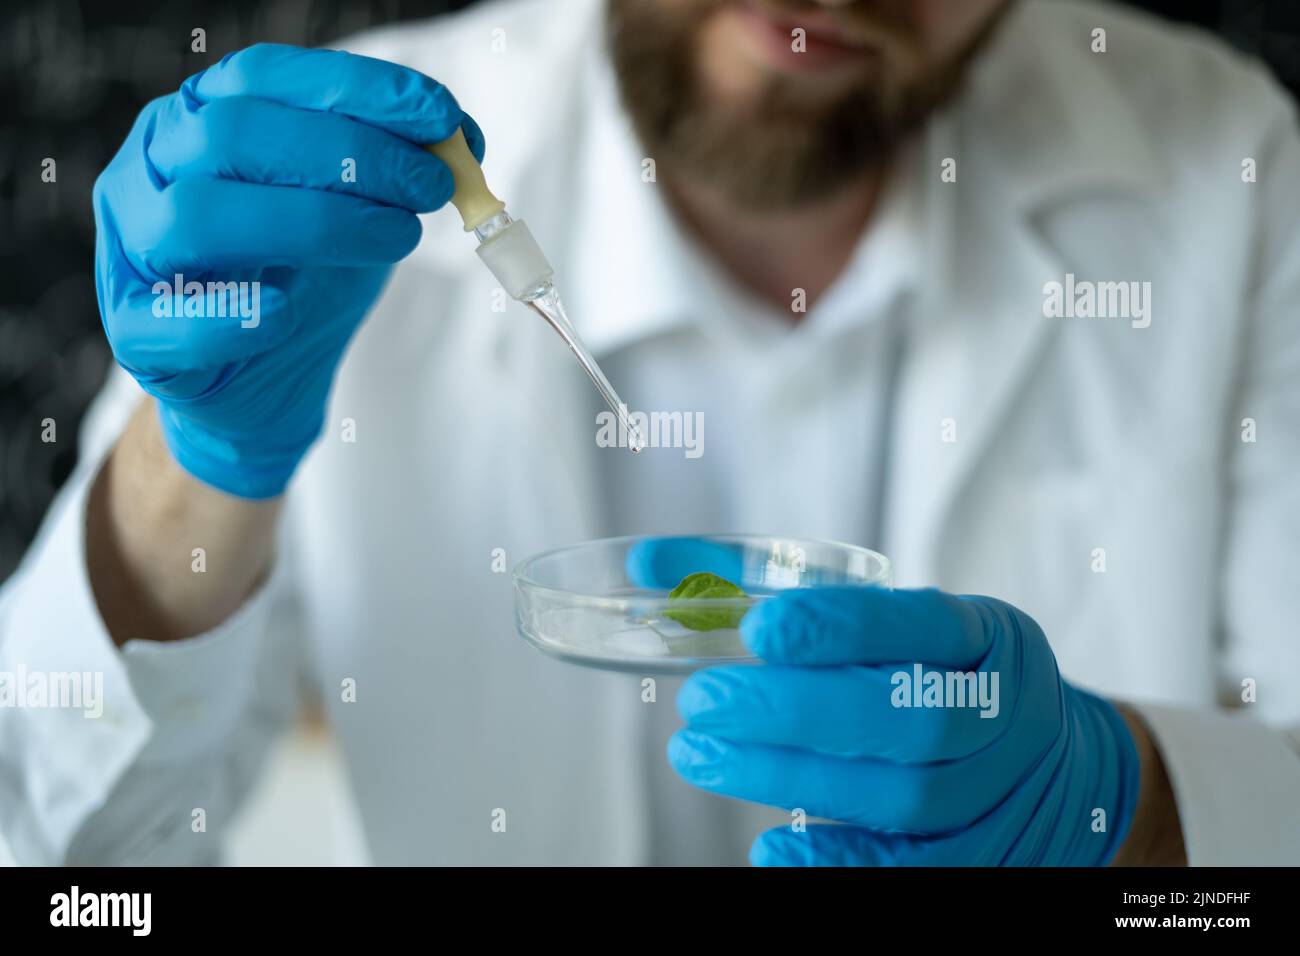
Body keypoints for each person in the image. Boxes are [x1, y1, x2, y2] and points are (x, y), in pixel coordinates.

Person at [1, 0, 1297, 865]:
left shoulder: (1228, 167)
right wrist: (204, 457)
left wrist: (1123, 804)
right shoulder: (326, 175)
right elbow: (68, 844)